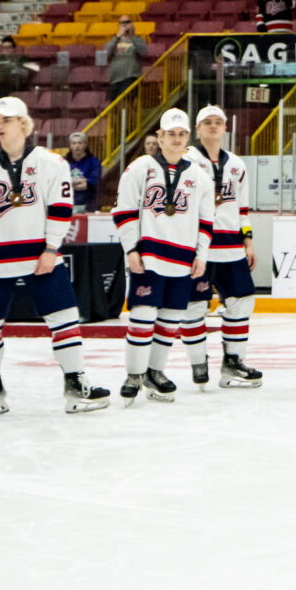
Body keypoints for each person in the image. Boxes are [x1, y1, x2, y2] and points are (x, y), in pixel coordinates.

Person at [0, 96, 111, 415]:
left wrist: (50, 248)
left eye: (6, 120)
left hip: (40, 257)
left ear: (23, 123)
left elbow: (60, 209)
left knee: (64, 318)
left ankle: (75, 382)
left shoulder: (51, 162)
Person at [113, 108, 213, 404]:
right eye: (171, 134)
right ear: (160, 136)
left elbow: (207, 221)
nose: (177, 139)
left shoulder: (199, 176)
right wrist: (131, 248)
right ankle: (134, 373)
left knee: (170, 320)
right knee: (142, 316)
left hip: (183, 259)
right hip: (150, 256)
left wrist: (202, 255)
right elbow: (124, 211)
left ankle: (154, 371)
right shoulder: (141, 167)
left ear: (188, 138)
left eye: (182, 134)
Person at [184, 104, 264, 389]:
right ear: (198, 129)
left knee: (242, 302)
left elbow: (242, 209)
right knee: (193, 306)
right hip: (198, 248)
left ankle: (233, 364)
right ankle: (198, 363)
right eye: (208, 122)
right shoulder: (186, 160)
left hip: (231, 246)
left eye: (219, 122)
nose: (214, 126)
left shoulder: (237, 165)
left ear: (226, 128)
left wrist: (249, 241)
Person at [105, 16, 146, 99]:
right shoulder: (114, 40)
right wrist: (117, 36)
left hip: (130, 77)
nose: (125, 25)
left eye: (127, 22)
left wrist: (132, 36)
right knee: (114, 106)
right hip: (115, 79)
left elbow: (143, 51)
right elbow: (106, 53)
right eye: (122, 23)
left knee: (124, 102)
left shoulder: (138, 40)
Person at [65, 131, 101, 213]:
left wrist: (71, 182)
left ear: (85, 144)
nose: (77, 146)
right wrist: (82, 180)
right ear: (70, 145)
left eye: (80, 143)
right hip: (68, 204)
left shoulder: (94, 162)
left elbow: (91, 184)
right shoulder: (63, 162)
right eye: (74, 143)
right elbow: (60, 183)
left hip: (88, 206)